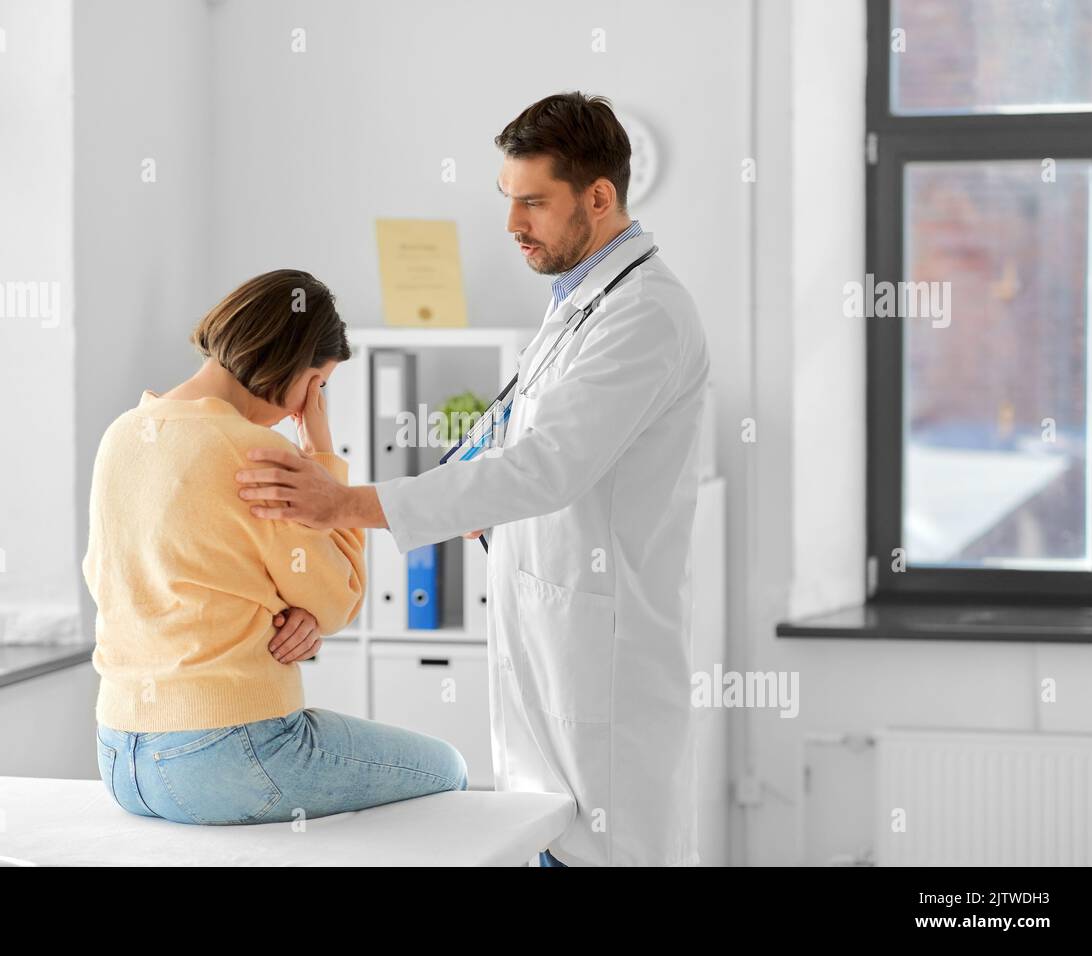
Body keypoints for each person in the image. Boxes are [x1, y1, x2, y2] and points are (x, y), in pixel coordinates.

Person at [234, 93, 711, 866]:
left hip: (603, 673)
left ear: (600, 197)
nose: (513, 225)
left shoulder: (646, 314)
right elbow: (520, 449)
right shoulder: (578, 305)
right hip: (549, 648)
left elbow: (546, 468)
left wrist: (346, 504)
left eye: (533, 203)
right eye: (508, 201)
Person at [83, 269, 469, 826]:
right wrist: (321, 453)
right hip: (228, 755)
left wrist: (284, 613)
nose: (302, 407)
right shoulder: (258, 454)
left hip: (120, 759)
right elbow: (341, 598)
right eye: (318, 384)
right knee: (448, 770)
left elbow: (137, 580)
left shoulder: (122, 434)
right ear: (291, 363)